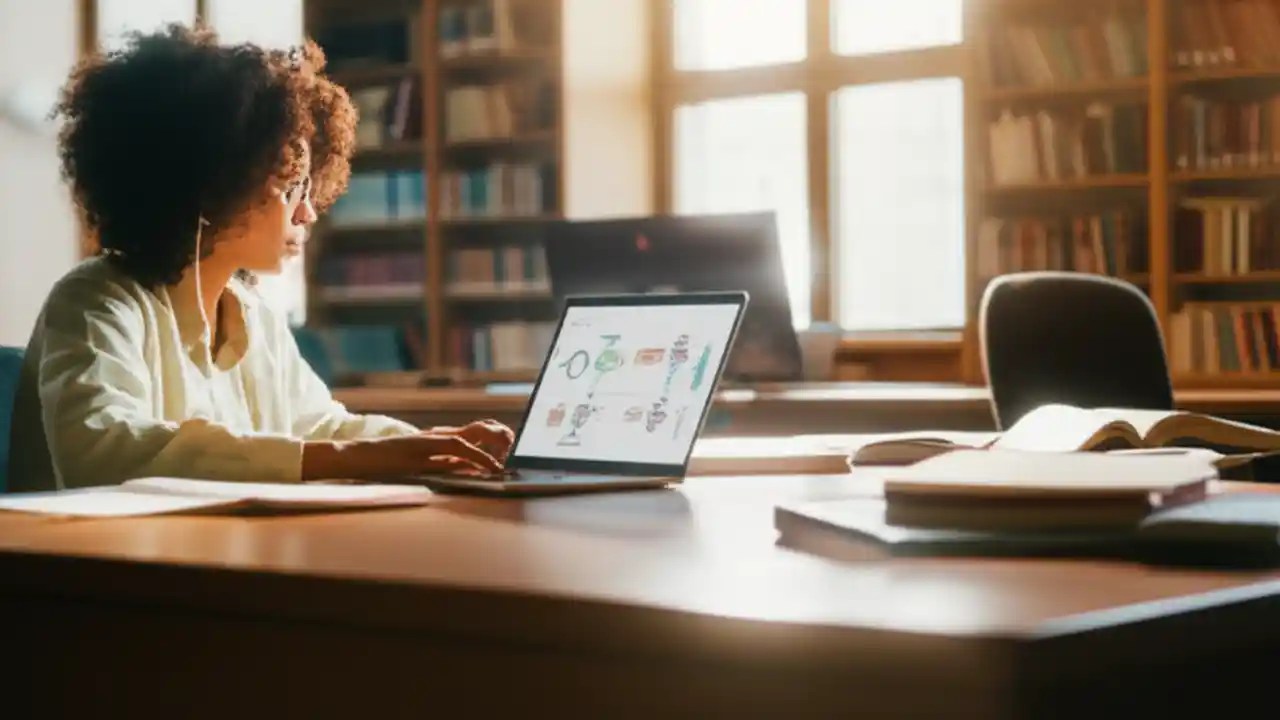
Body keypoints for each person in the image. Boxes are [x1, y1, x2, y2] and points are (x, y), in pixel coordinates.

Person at [7, 25, 513, 493]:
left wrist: (434, 445)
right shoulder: (96, 300)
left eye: (310, 188)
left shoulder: (254, 316)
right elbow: (105, 450)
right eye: (291, 187)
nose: (308, 211)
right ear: (212, 186)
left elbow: (319, 427)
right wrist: (353, 457)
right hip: (85, 561)